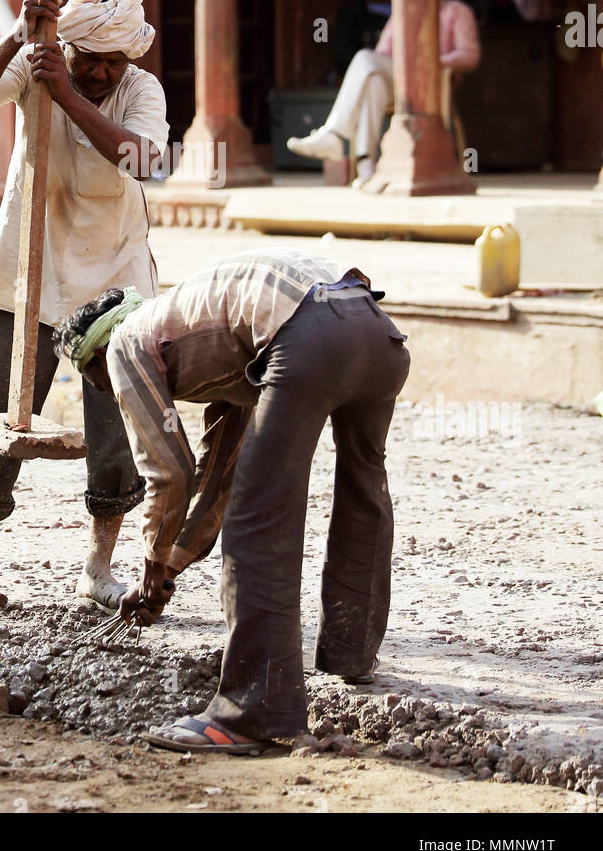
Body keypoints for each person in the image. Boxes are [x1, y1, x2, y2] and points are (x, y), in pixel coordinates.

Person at [52, 246, 410, 753]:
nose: (107, 394)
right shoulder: (204, 335)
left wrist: (152, 563)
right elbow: (219, 470)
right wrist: (170, 566)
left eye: (96, 385)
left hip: (307, 334)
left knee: (258, 522)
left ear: (95, 359)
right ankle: (353, 653)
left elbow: (169, 472)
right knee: (363, 491)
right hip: (376, 332)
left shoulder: (124, 347)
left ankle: (250, 713)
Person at [0, 0, 169, 611]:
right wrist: (18, 36)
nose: (104, 70)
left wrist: (67, 93)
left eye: (115, 60)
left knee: (115, 426)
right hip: (29, 268)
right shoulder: (33, 60)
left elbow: (141, 162)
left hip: (115, 283)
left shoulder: (140, 89)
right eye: (90, 59)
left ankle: (99, 566)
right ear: (67, 46)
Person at [287, 0, 481, 187]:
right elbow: (380, 54)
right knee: (373, 79)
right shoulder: (401, 14)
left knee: (365, 59)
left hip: (432, 79)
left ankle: (336, 136)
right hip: (398, 77)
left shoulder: (457, 11)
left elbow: (470, 56)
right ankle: (366, 169)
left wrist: (429, 62)